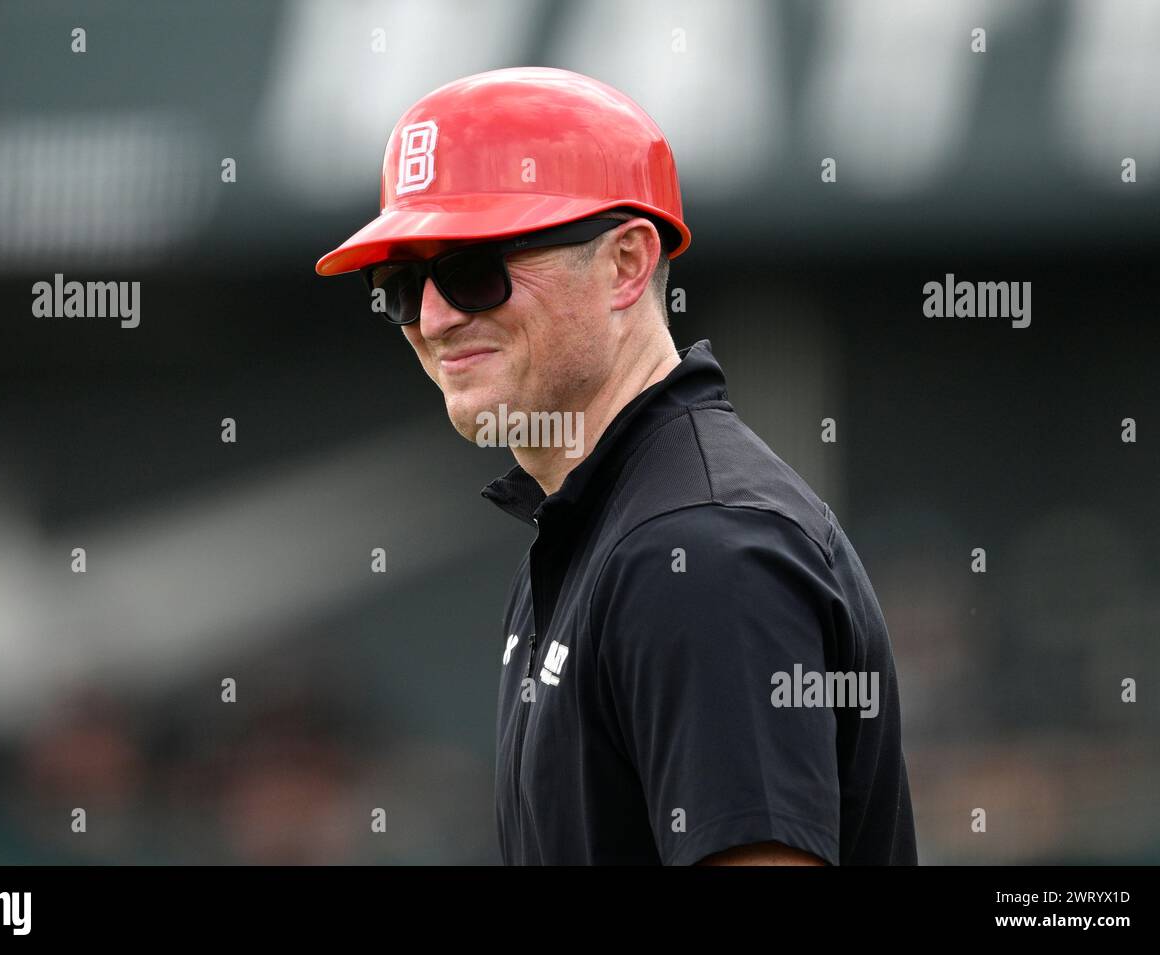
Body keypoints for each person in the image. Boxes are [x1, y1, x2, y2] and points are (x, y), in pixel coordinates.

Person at [317, 67, 916, 866]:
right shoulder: (597, 528)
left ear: (628, 263)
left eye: (471, 268)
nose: (433, 316)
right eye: (399, 284)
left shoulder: (701, 549)